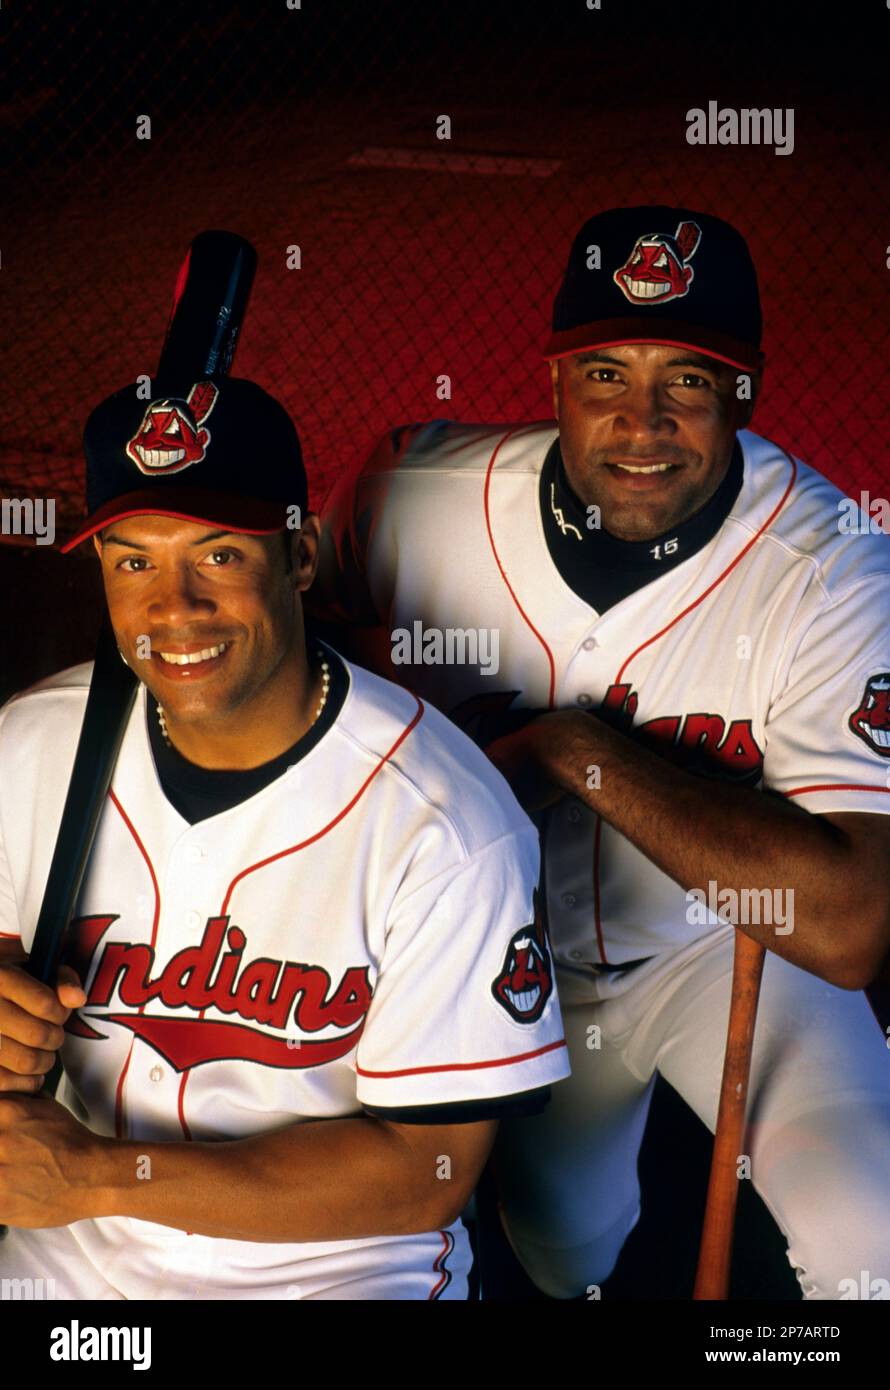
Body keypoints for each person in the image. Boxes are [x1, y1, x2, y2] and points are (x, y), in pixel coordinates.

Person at [309, 206, 890, 1300]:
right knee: (562, 1241)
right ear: (554, 376)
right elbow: (303, 653)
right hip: (498, 956)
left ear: (742, 390)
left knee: (871, 1241)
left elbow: (849, 925)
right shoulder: (412, 495)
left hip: (713, 949)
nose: (640, 422)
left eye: (686, 379)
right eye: (604, 375)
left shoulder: (832, 566)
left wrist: (575, 753)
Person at [0, 374, 569, 1301]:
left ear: (300, 554)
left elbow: (426, 1171)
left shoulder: (443, 820)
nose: (173, 608)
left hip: (330, 1273)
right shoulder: (29, 743)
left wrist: (95, 1177)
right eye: (133, 561)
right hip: (72, 1265)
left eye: (218, 556)